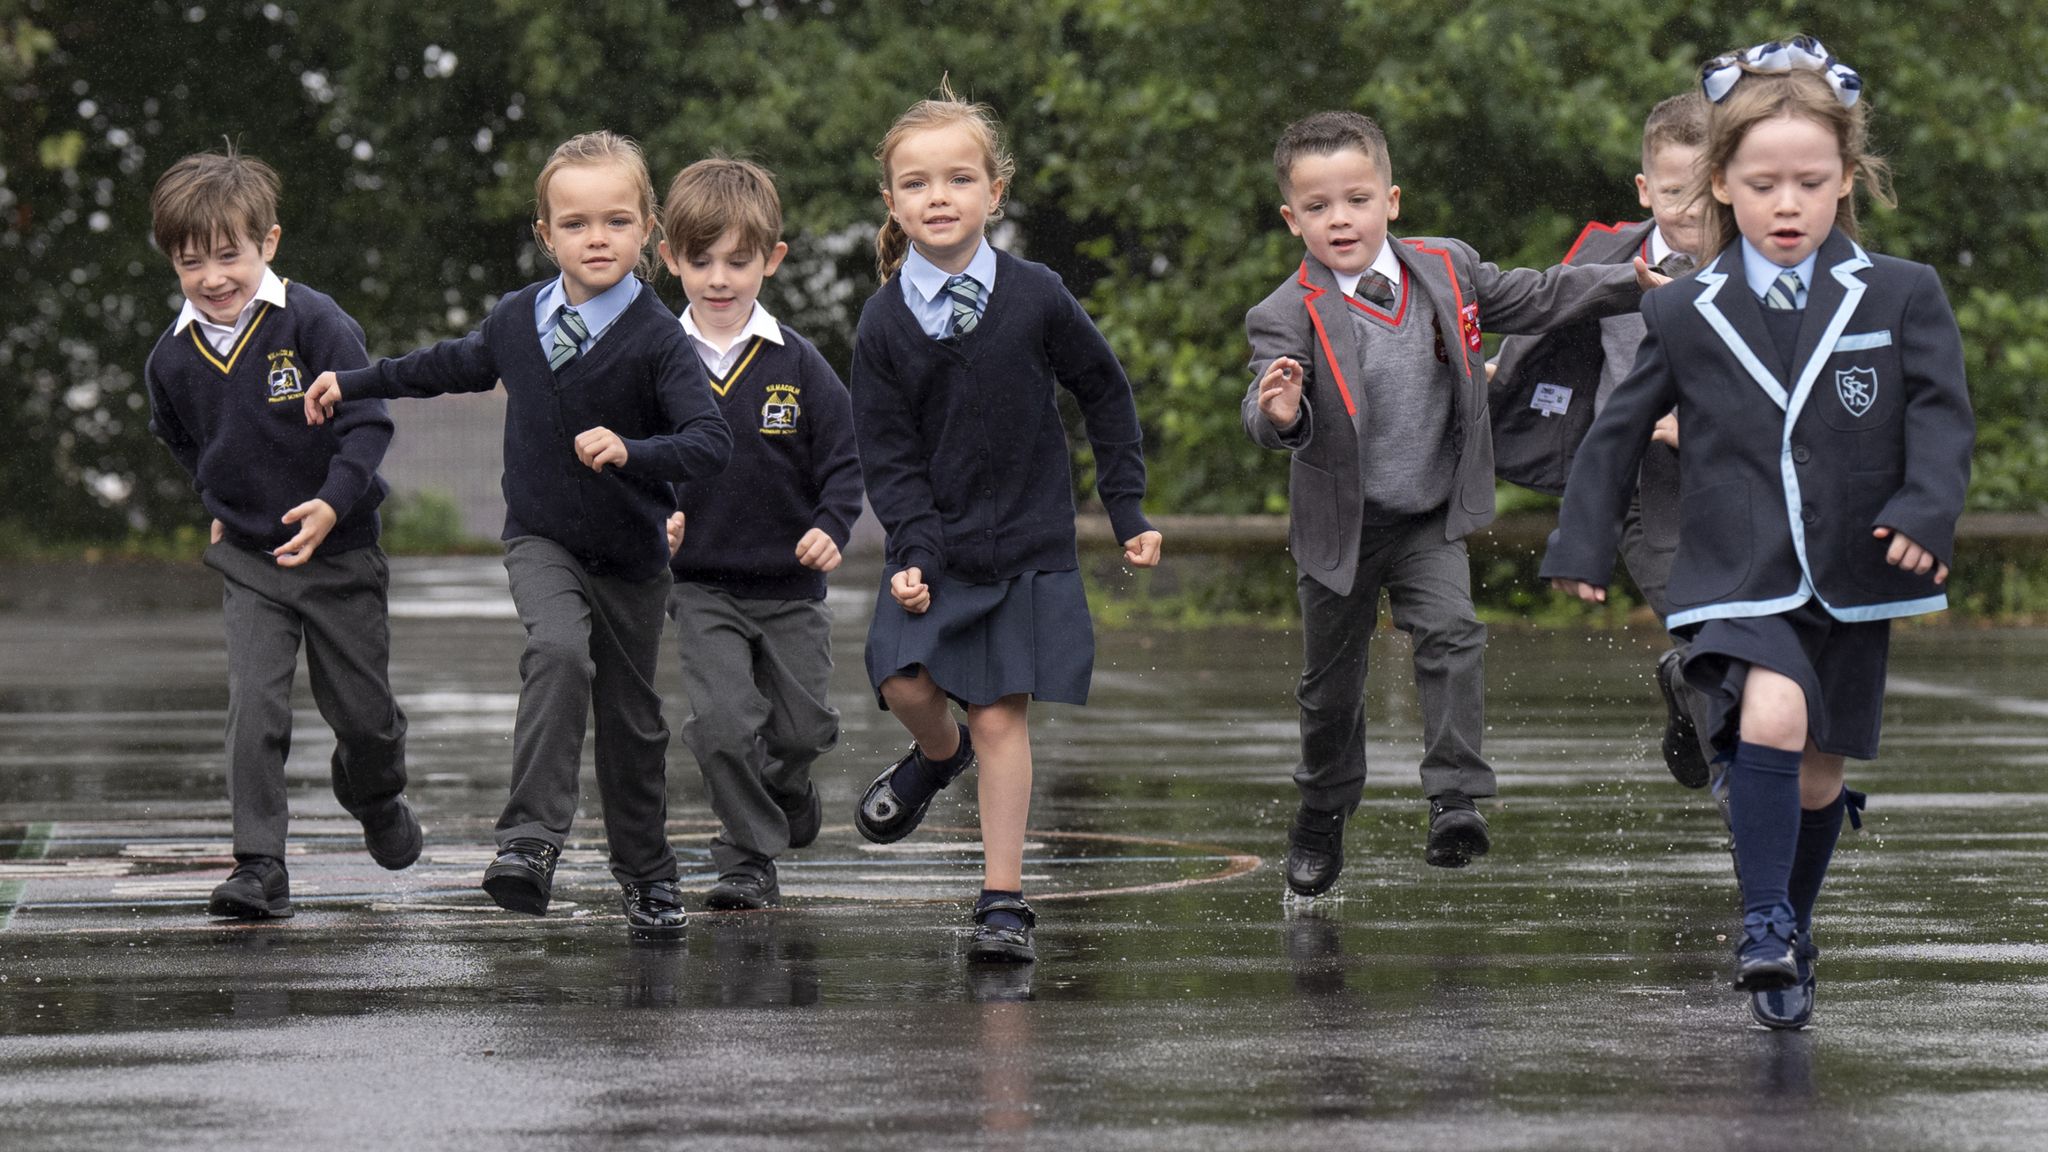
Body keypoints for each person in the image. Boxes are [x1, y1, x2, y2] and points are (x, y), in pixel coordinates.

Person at [1541, 37, 1973, 1029]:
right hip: (1733, 566)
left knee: (1820, 775)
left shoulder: (1901, 293)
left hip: (1855, 568)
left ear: (1845, 179)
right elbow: (1616, 429)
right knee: (1771, 712)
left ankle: (1793, 927)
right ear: (1720, 187)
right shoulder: (1685, 310)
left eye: (1810, 183)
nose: (1787, 204)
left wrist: (1924, 509)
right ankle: (1764, 923)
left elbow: (1941, 415)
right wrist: (1580, 540)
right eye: (1762, 183)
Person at [305, 131, 732, 938]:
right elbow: (444, 364)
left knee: (632, 724)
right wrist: (353, 381)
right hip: (541, 539)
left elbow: (710, 443)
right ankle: (529, 844)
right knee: (559, 652)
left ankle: (648, 874)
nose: (597, 238)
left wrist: (632, 451)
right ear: (546, 234)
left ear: (649, 232)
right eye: (576, 224)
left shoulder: (658, 338)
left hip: (632, 559)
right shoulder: (517, 318)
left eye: (616, 221)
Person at [1244, 110, 1657, 900]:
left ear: (1390, 200)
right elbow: (1262, 404)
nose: (1341, 220)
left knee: (1453, 633)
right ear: (1293, 219)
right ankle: (1322, 811)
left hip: (1428, 513)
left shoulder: (1446, 267)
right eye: (1319, 207)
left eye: (1357, 200)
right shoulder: (1285, 311)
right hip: (1344, 527)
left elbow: (1539, 296)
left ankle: (1455, 800)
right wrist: (1281, 413)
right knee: (1330, 691)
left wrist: (1629, 281)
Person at [849, 82, 1162, 963]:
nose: (938, 197)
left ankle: (1001, 900)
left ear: (995, 191)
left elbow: (1105, 391)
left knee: (999, 721)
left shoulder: (1036, 295)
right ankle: (934, 757)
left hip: (1026, 546)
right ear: (891, 202)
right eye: (916, 183)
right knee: (903, 682)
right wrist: (913, 550)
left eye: (959, 179)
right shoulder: (881, 324)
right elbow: (889, 456)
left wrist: (1126, 505)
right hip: (935, 548)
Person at [143, 146, 418, 920]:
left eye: (228, 255)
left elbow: (368, 423)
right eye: (191, 262)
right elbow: (182, 438)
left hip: (342, 551)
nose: (212, 277)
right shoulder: (171, 359)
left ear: (268, 242)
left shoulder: (315, 322)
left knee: (364, 719)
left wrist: (331, 502)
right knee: (254, 709)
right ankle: (259, 865)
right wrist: (217, 494)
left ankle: (376, 794)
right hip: (252, 560)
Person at [1492, 93, 1720, 795]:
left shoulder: (1762, 258)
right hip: (1644, 482)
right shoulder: (1611, 257)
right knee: (1711, 640)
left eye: (1703, 193)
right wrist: (1503, 373)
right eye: (1672, 194)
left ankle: (1682, 679)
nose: (1688, 211)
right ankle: (1748, 823)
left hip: (1739, 476)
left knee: (1754, 646)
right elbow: (1546, 316)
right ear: (1646, 189)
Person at [656, 156, 863, 911]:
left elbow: (845, 464)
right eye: (701, 260)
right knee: (721, 726)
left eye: (738, 261)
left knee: (803, 729)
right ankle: (746, 857)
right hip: (702, 587)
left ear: (771, 260)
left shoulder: (799, 365)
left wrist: (832, 525)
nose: (719, 278)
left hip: (790, 590)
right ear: (670, 258)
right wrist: (651, 516)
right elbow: (625, 460)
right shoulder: (654, 363)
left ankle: (786, 788)